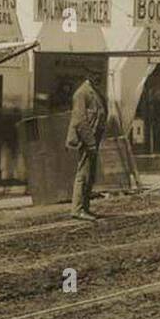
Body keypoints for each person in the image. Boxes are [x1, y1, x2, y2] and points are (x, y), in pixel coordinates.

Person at [66, 73, 106, 221]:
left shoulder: (95, 91)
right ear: (89, 75)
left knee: (90, 175)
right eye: (95, 74)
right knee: (83, 175)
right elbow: (80, 121)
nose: (99, 77)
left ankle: (85, 208)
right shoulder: (82, 93)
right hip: (86, 140)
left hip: (94, 139)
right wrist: (90, 142)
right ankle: (77, 209)